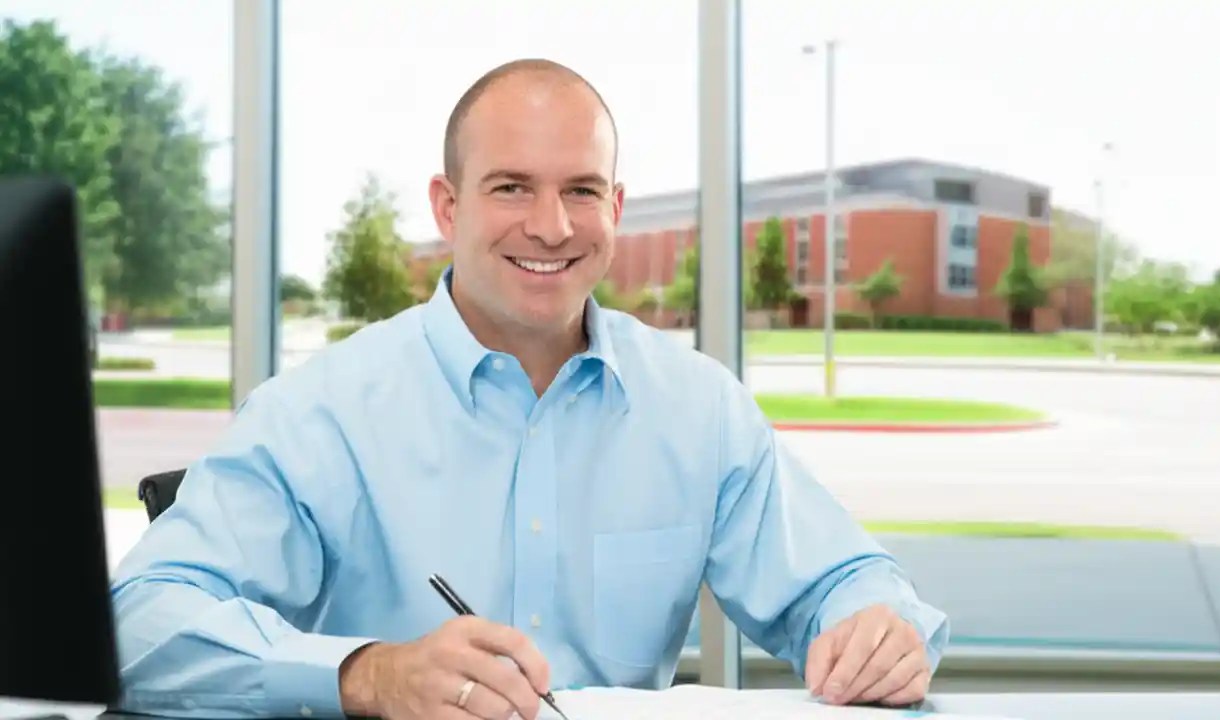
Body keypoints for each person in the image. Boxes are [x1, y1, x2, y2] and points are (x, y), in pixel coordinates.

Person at [109, 58, 949, 720]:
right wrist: (370, 676)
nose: (551, 226)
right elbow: (134, 622)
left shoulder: (697, 408)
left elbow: (847, 584)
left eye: (581, 190)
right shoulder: (321, 410)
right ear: (448, 207)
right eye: (512, 187)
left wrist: (879, 627)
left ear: (616, 207)